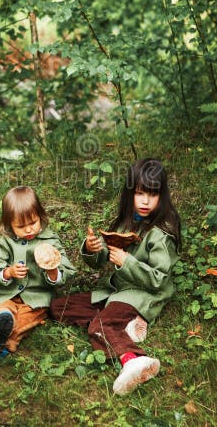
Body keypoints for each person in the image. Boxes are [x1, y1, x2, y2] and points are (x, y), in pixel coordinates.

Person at [50, 158, 181, 395]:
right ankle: (122, 327)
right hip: (116, 291)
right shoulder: (125, 222)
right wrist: (92, 249)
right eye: (140, 193)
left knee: (99, 324)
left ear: (162, 197)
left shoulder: (161, 235)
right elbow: (102, 261)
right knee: (60, 307)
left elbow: (159, 279)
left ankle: (132, 359)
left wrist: (127, 262)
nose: (144, 201)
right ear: (129, 194)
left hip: (141, 295)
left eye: (152, 195)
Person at [0, 186, 76, 359]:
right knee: (2, 312)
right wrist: (8, 272)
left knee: (24, 320)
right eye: (21, 226)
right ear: (9, 225)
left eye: (33, 223)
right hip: (6, 294)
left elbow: (67, 269)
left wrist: (53, 271)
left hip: (35, 299)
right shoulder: (4, 241)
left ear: (41, 216)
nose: (29, 230)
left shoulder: (50, 241)